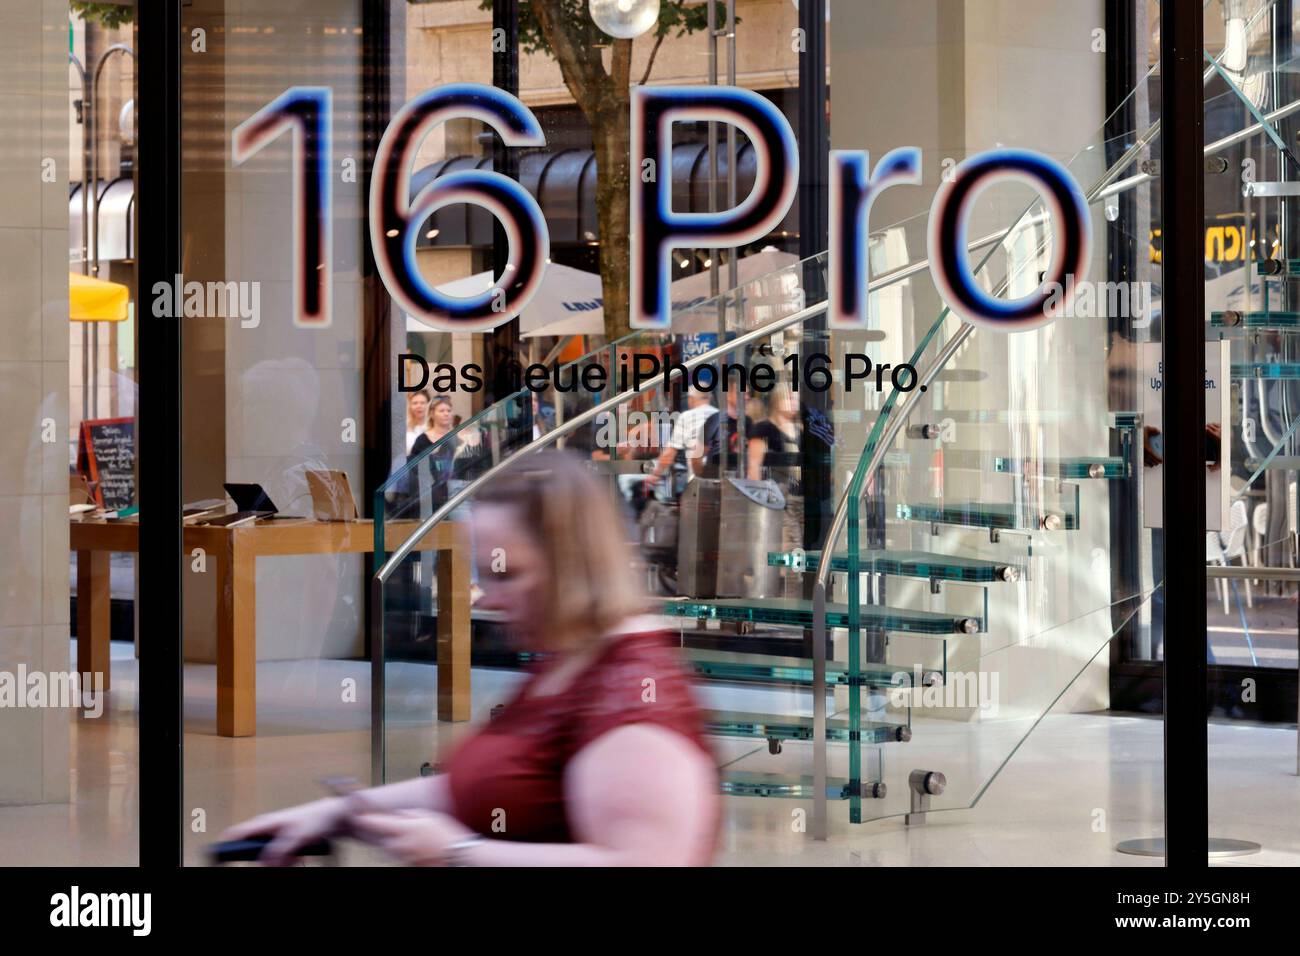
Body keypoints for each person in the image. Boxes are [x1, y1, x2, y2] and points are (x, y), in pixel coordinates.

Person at [222, 451, 719, 865]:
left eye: (507, 574)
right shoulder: (567, 661)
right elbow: (488, 787)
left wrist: (460, 851)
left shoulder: (632, 693)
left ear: (573, 566)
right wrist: (344, 812)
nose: (486, 597)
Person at [646, 383, 717, 492]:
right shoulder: (718, 415)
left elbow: (669, 454)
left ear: (691, 399)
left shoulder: (687, 417)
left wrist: (655, 474)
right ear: (710, 398)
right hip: (719, 479)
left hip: (697, 481)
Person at [404, 389, 430, 454]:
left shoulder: (436, 426)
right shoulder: (403, 428)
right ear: (410, 406)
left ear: (428, 405)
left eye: (422, 403)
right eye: (415, 403)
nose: (419, 406)